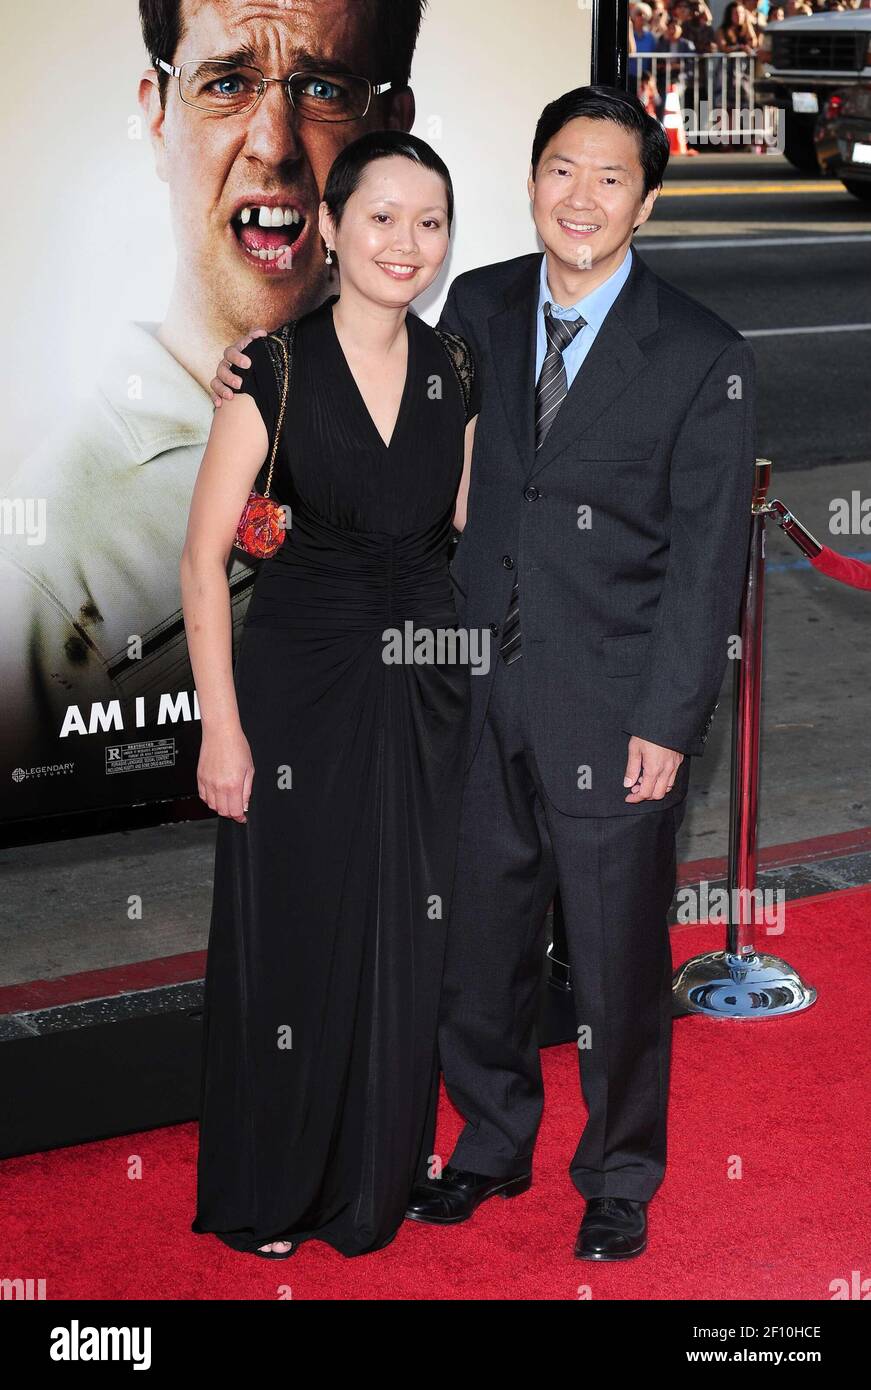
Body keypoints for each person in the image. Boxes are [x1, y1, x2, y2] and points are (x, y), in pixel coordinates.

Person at [214, 84, 757, 1261]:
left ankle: (617, 1175)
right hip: (462, 693)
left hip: (616, 709)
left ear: (645, 204)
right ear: (530, 181)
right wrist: (249, 367)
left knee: (615, 960)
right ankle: (489, 1143)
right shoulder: (482, 304)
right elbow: (366, 376)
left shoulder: (703, 355)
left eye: (611, 178)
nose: (582, 196)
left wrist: (671, 717)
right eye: (562, 169)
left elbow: (713, 565)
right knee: (475, 945)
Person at [184, 129, 480, 1258]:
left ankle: (374, 1176)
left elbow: (459, 526)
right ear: (331, 226)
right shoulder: (275, 367)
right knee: (298, 931)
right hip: (298, 688)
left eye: (430, 221)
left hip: (422, 687)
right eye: (383, 216)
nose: (406, 242)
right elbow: (203, 557)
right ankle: (276, 1188)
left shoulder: (457, 366)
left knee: (405, 933)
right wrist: (222, 723)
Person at [0, 0, 426, 777]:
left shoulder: (455, 412)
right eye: (228, 81)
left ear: (390, 132)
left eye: (322, 88)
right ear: (158, 122)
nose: (272, 144)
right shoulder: (42, 567)